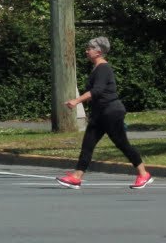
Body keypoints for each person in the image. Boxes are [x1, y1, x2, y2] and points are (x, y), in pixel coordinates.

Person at [57, 36, 153, 190]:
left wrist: (76, 101)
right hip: (99, 114)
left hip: (111, 112)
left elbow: (97, 90)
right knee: (87, 145)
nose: (86, 51)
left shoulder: (103, 68)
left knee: (122, 144)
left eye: (89, 48)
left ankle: (143, 174)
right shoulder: (96, 68)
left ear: (98, 52)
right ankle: (76, 177)